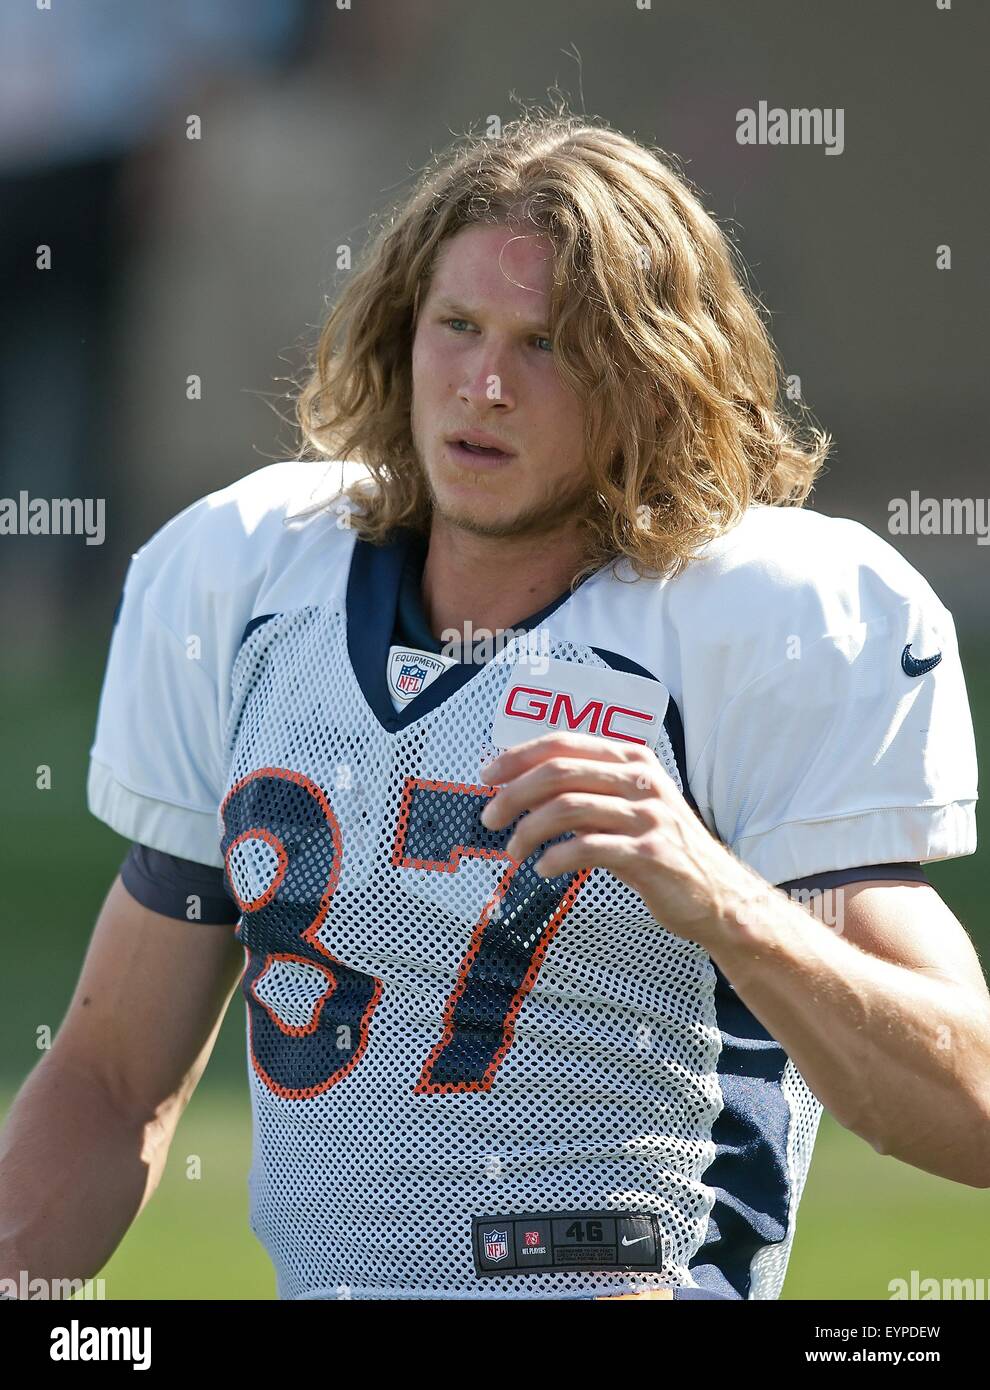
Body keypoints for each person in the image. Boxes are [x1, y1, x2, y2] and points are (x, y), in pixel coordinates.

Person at [1, 114, 987, 1302]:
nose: (483, 385)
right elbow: (108, 1083)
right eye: (457, 327)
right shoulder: (247, 579)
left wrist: (725, 899)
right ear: (400, 330)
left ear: (652, 376)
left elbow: (972, 1109)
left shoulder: (762, 617)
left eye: (549, 347)